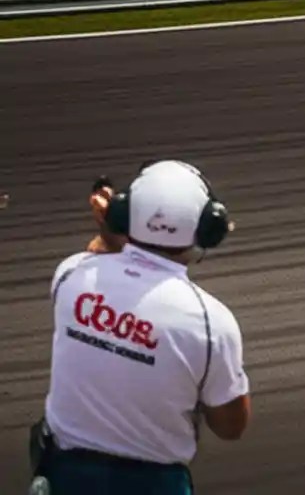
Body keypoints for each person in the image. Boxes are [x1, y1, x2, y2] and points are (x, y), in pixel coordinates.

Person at [30, 160, 251, 494]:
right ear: (208, 230)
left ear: (122, 215)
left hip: (65, 477)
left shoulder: (70, 275)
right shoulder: (211, 324)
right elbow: (231, 426)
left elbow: (106, 265)